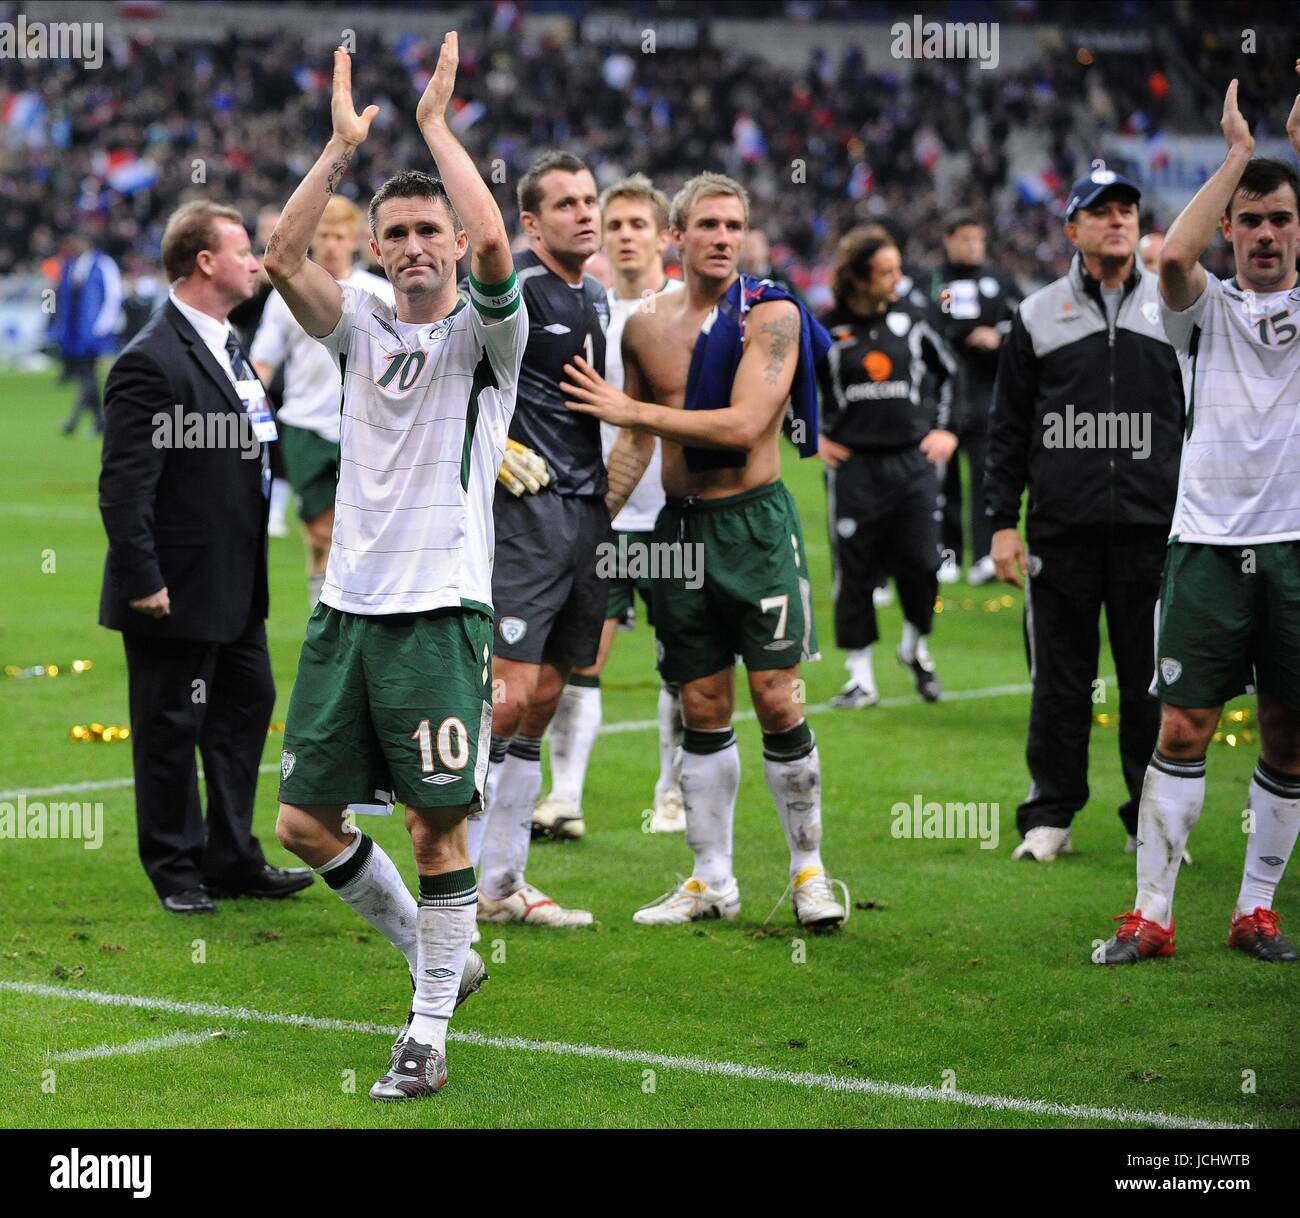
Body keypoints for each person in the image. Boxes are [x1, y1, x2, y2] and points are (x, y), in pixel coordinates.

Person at [266, 35, 524, 1098]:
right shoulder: (358, 322)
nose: (413, 246)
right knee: (301, 824)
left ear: (453, 243)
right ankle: (444, 958)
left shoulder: (485, 338)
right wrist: (337, 149)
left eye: (429, 231)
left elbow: (502, 246)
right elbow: (282, 259)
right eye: (395, 233)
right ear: (372, 247)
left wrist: (431, 130)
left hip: (437, 608)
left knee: (433, 821)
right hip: (347, 608)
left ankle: (425, 1032)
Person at [562, 172, 848, 930]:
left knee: (778, 696)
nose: (724, 238)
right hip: (679, 531)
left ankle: (810, 872)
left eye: (735, 225)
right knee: (700, 704)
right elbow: (632, 444)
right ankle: (712, 879)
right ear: (676, 236)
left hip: (753, 524)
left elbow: (747, 423)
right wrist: (588, 531)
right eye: (709, 225)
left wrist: (630, 407)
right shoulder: (644, 327)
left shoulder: (772, 313)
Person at [1095, 81, 1300, 965]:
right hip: (1207, 546)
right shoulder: (1203, 308)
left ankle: (1255, 909)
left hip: (1295, 546)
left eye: (1282, 221)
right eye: (1250, 220)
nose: (1264, 235)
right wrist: (1238, 158)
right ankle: (1151, 915)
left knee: (1292, 735)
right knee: (1183, 728)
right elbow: (1171, 256)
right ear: (1232, 229)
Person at [98, 200, 311, 914]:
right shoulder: (149, 361)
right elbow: (125, 485)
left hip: (234, 583)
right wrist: (142, 576)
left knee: (243, 711)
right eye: (243, 249)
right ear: (204, 263)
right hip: (174, 586)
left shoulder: (225, 345)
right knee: (169, 728)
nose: (256, 261)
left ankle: (231, 856)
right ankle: (175, 868)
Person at [985, 166, 1185, 862]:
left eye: (1127, 209)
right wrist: (1000, 523)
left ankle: (1150, 821)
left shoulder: (1176, 307)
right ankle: (1051, 817)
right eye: (1101, 211)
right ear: (1073, 228)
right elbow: (1007, 427)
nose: (1118, 220)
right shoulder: (1036, 313)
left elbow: (1200, 420)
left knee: (1150, 684)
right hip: (1059, 533)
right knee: (1060, 684)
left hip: (1153, 530)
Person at [469, 150, 613, 928]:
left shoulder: (595, 294)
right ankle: (451, 877)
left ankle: (503, 884)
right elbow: (445, 373)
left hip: (589, 515)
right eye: (566, 205)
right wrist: (493, 452)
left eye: (590, 200)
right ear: (530, 221)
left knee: (549, 696)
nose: (584, 214)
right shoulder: (510, 290)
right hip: (528, 512)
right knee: (506, 697)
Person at [532, 174, 687, 841]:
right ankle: (564, 797)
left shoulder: (687, 309)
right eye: (614, 223)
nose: (624, 235)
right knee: (579, 656)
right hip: (599, 506)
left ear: (661, 236)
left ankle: (672, 792)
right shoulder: (587, 305)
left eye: (637, 225)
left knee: (683, 661)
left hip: (674, 511)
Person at [817, 225, 959, 709]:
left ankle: (914, 647)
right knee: (854, 569)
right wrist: (810, 436)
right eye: (885, 272)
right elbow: (787, 388)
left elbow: (951, 377)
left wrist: (946, 429)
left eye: (898, 270)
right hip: (853, 466)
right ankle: (860, 677)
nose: (897, 280)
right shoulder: (826, 328)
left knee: (922, 563)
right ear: (858, 278)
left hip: (912, 463)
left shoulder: (915, 321)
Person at [251, 196, 394, 607]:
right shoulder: (287, 297)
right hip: (306, 424)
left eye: (340, 236)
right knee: (319, 535)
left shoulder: (380, 295)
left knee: (365, 533)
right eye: (324, 235)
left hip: (366, 426)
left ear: (359, 241)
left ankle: (360, 614)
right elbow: (263, 362)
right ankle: (324, 617)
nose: (331, 244)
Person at [929, 213, 1020, 586]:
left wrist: (996, 335)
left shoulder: (999, 282)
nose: (973, 246)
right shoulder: (935, 282)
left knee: (986, 478)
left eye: (978, 239)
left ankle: (984, 556)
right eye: (965, 238)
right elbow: (932, 325)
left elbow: (1024, 321)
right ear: (948, 240)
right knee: (944, 480)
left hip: (988, 395)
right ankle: (949, 555)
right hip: (946, 397)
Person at [52, 230, 121, 437]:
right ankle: (100, 423)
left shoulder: (103, 264)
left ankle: (73, 423)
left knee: (87, 375)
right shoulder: (70, 265)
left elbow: (113, 296)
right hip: (75, 331)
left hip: (94, 329)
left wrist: (102, 325)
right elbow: (62, 296)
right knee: (87, 374)